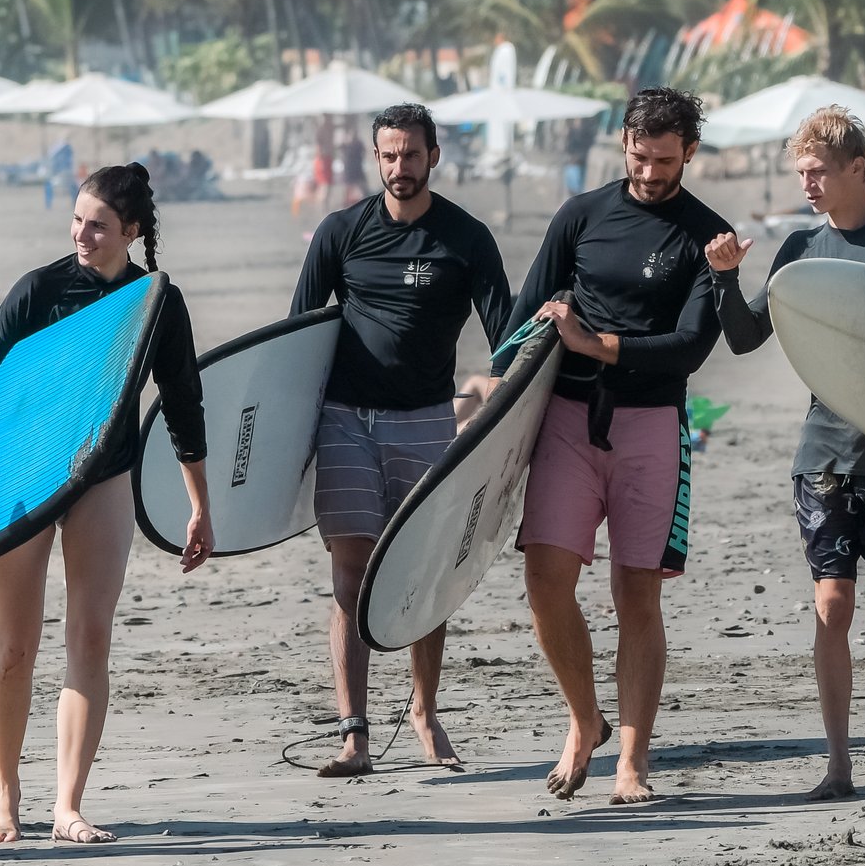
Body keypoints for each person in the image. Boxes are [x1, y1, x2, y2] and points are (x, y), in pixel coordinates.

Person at [0, 163, 212, 845]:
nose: (82, 234)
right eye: (78, 219)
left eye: (98, 225)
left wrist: (199, 504)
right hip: (27, 474)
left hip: (104, 473)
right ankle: (5, 797)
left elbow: (183, 403)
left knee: (90, 635)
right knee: (15, 646)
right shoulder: (40, 289)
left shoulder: (155, 303)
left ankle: (68, 805)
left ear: (132, 231)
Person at [706, 106, 865, 801]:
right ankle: (839, 763)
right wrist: (726, 279)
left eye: (819, 171)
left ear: (859, 168)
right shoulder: (799, 250)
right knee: (832, 604)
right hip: (823, 451)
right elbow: (744, 337)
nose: (809, 184)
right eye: (802, 173)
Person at [499, 87, 729, 805]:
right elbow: (521, 318)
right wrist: (496, 393)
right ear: (622, 141)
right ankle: (583, 718)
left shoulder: (705, 236)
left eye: (665, 159)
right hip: (567, 418)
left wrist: (594, 342)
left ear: (689, 151)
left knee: (637, 596)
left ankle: (632, 761)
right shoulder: (582, 216)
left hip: (652, 426)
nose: (650, 171)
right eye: (639, 154)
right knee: (544, 583)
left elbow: (689, 346)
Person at [289, 103, 513, 777]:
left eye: (411, 154)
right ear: (375, 157)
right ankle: (354, 731)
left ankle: (423, 708)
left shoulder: (465, 238)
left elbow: (509, 336)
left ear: (433, 156)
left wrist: (500, 421)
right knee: (350, 572)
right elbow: (296, 334)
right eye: (388, 155)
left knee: (423, 570)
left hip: (425, 418)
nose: (399, 167)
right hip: (345, 418)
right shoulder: (342, 231)